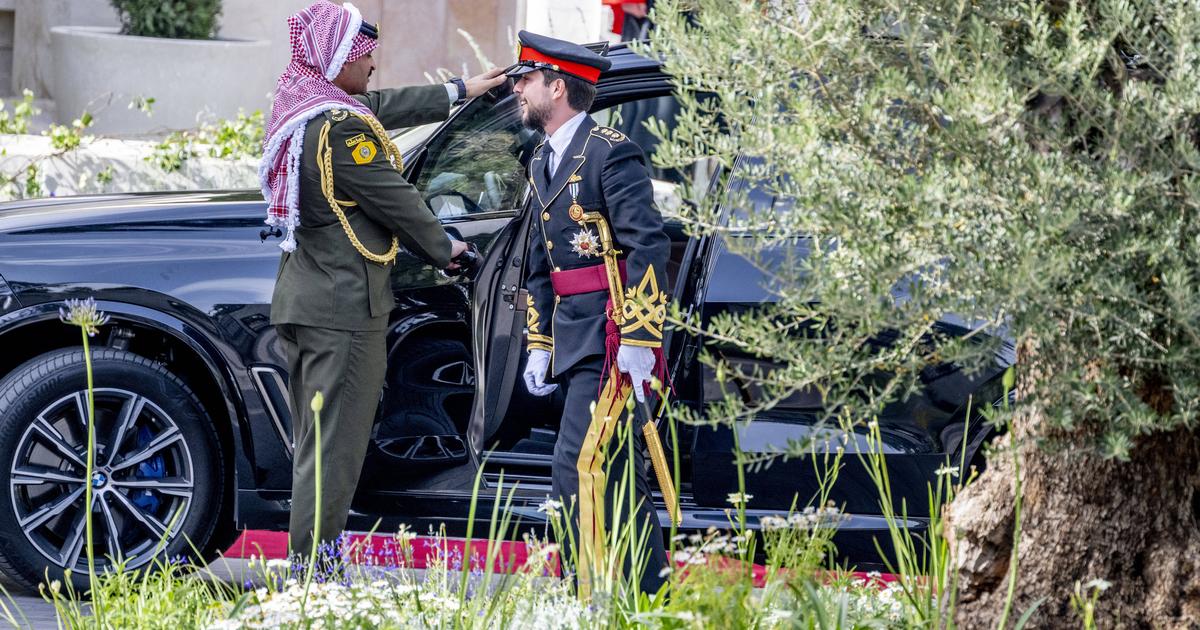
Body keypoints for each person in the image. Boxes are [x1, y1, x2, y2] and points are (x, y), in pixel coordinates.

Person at [260, 0, 505, 555]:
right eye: (364, 52)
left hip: (308, 303)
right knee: (334, 449)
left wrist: (458, 91)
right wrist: (446, 249)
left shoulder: (306, 107)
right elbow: (397, 200)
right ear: (338, 58)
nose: (372, 63)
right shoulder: (343, 133)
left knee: (315, 445)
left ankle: (310, 561)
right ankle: (315, 570)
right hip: (343, 313)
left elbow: (376, 105)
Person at [509, 30, 671, 598]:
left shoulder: (609, 150)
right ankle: (646, 595)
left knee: (579, 464)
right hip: (571, 335)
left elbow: (647, 245)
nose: (518, 90)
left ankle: (589, 595)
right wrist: (538, 342)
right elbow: (540, 262)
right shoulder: (540, 159)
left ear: (557, 87)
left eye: (527, 80)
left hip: (612, 336)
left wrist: (640, 337)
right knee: (616, 470)